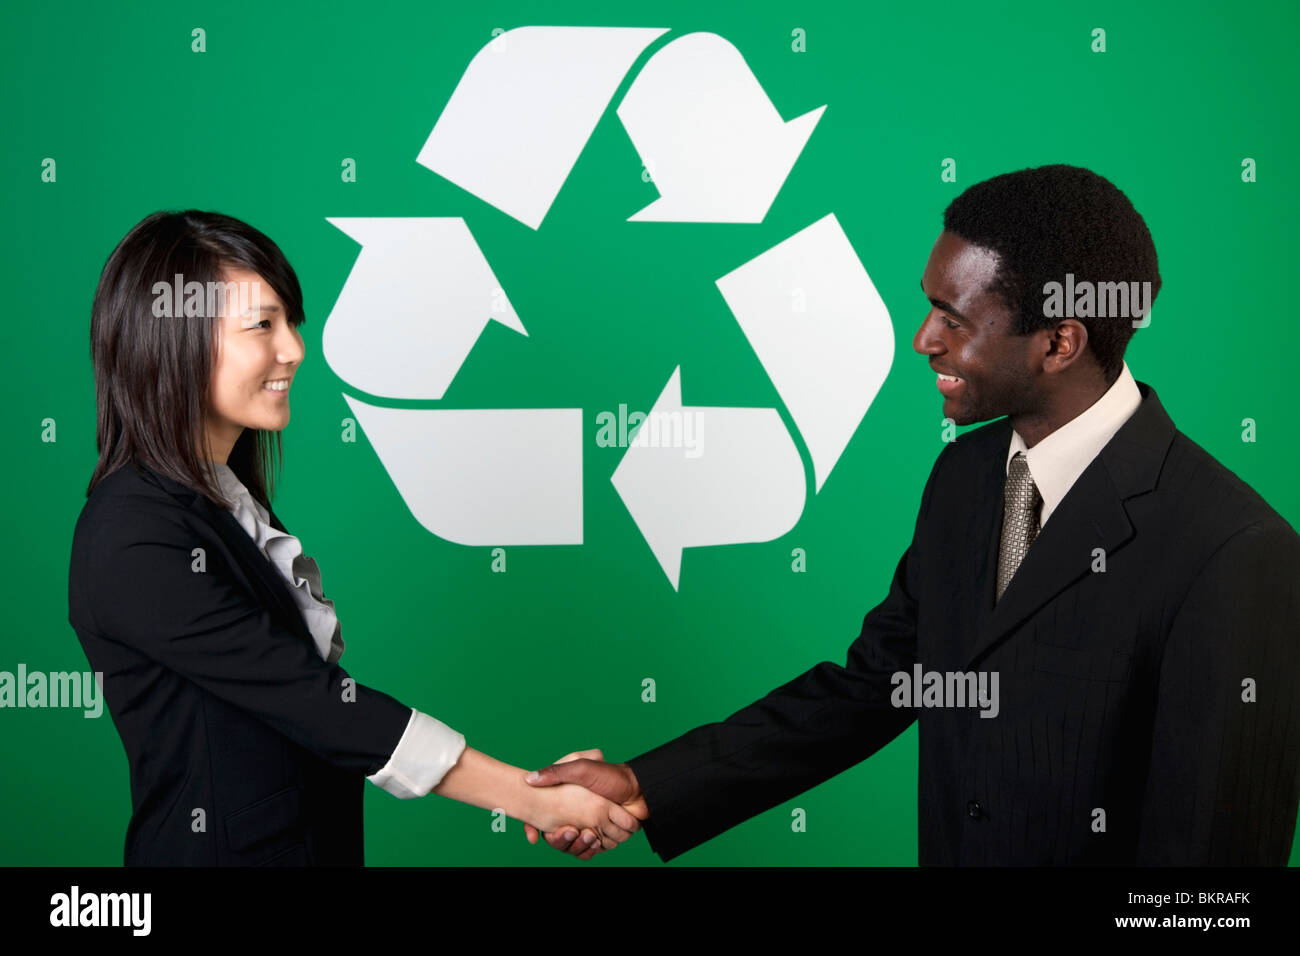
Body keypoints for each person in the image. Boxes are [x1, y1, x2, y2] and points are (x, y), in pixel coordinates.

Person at [523, 164, 1300, 865]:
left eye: (953, 319)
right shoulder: (964, 478)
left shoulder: (1236, 552)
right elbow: (882, 685)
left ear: (1060, 341)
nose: (923, 340)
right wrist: (644, 783)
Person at [67, 210, 640, 865]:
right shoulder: (134, 533)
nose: (294, 349)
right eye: (262, 326)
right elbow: (314, 702)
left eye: (290, 322)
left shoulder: (224, 505)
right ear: (171, 340)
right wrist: (530, 795)